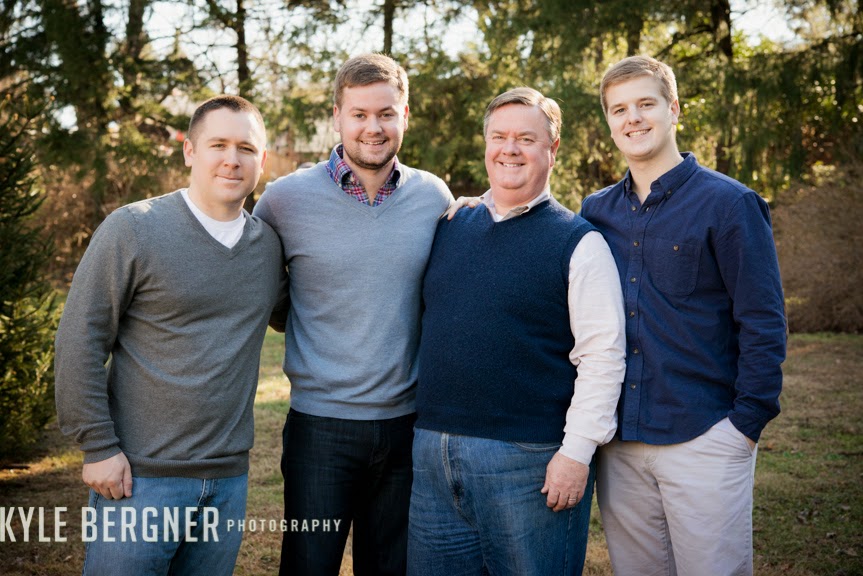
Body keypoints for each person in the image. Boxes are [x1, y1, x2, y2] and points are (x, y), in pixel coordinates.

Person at [54, 95, 285, 575]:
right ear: (189, 152)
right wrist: (97, 447)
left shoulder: (268, 247)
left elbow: (310, 308)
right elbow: (80, 339)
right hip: (139, 478)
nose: (231, 158)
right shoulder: (133, 230)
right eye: (217, 144)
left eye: (246, 147)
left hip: (227, 480)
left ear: (262, 161)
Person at [253, 53, 460, 576]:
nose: (374, 127)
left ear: (405, 115)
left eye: (386, 114)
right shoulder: (283, 200)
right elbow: (262, 293)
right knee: (308, 566)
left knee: (392, 568)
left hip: (408, 429)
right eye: (360, 114)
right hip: (320, 429)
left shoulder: (433, 197)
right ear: (337, 116)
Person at [581, 55, 787, 576]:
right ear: (609, 121)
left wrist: (745, 424)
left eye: (646, 104)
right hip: (620, 446)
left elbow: (762, 321)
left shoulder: (730, 204)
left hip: (706, 436)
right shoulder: (594, 212)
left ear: (673, 109)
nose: (633, 119)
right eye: (619, 109)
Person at [407, 87, 627, 576]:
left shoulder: (578, 241)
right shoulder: (450, 224)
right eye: (499, 136)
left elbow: (603, 355)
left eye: (526, 138)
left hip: (527, 463)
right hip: (432, 454)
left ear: (552, 150)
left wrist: (576, 454)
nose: (509, 149)